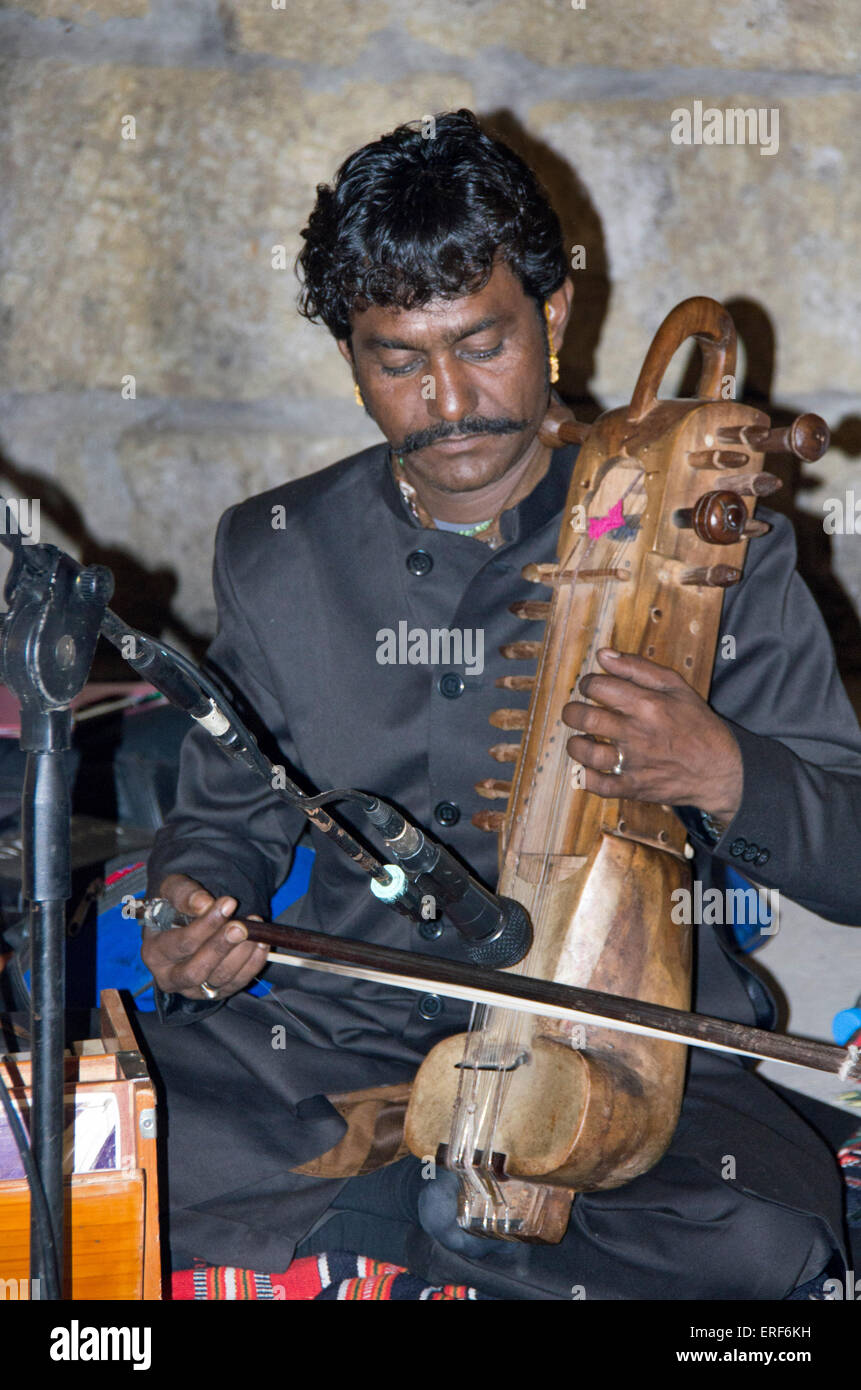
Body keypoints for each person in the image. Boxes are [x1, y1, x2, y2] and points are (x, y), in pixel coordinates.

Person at [136, 109, 861, 1300]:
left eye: (483, 343)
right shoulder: (277, 554)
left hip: (631, 1064)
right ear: (350, 357)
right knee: (87, 1139)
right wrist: (192, 909)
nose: (451, 400)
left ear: (556, 318)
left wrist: (721, 769)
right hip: (335, 1049)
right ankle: (436, 1231)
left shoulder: (704, 543)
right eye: (399, 360)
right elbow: (226, 823)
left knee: (750, 1231)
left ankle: (427, 1238)